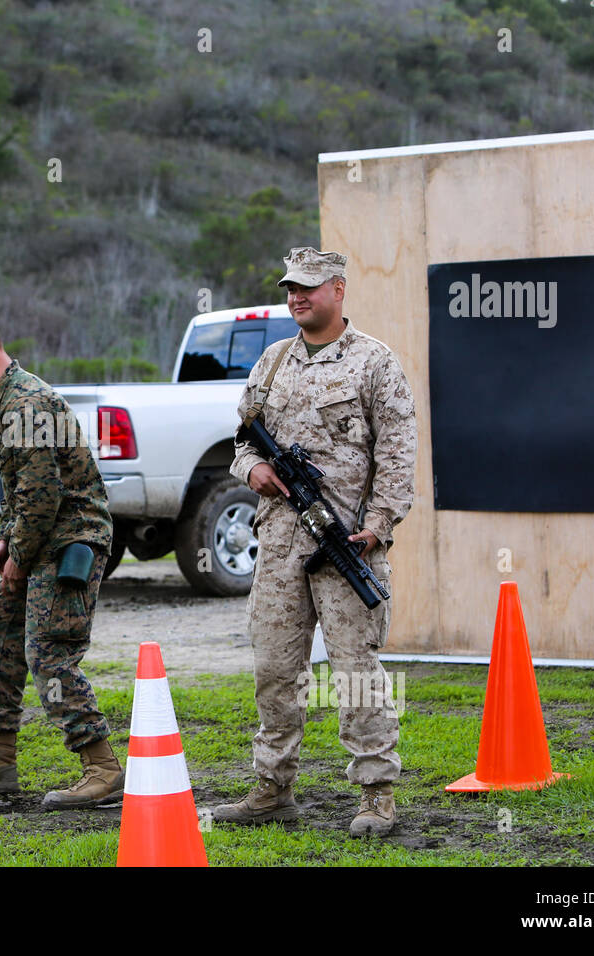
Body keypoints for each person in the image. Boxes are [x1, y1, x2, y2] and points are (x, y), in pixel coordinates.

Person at [213, 247, 417, 836]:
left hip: (347, 543)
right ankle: (272, 788)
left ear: (339, 289)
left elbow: (398, 456)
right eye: (289, 289)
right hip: (278, 543)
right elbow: (242, 441)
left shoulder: (373, 363)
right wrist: (250, 469)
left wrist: (378, 526)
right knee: (275, 668)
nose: (296, 297)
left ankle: (376, 793)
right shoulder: (272, 362)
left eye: (307, 287)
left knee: (355, 671)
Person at [0, 312, 124, 808]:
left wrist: (18, 556)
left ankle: (101, 766)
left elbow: (43, 496)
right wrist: (4, 543)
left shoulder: (26, 403)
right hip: (42, 540)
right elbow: (21, 492)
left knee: (50, 650)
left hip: (68, 541)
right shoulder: (11, 399)